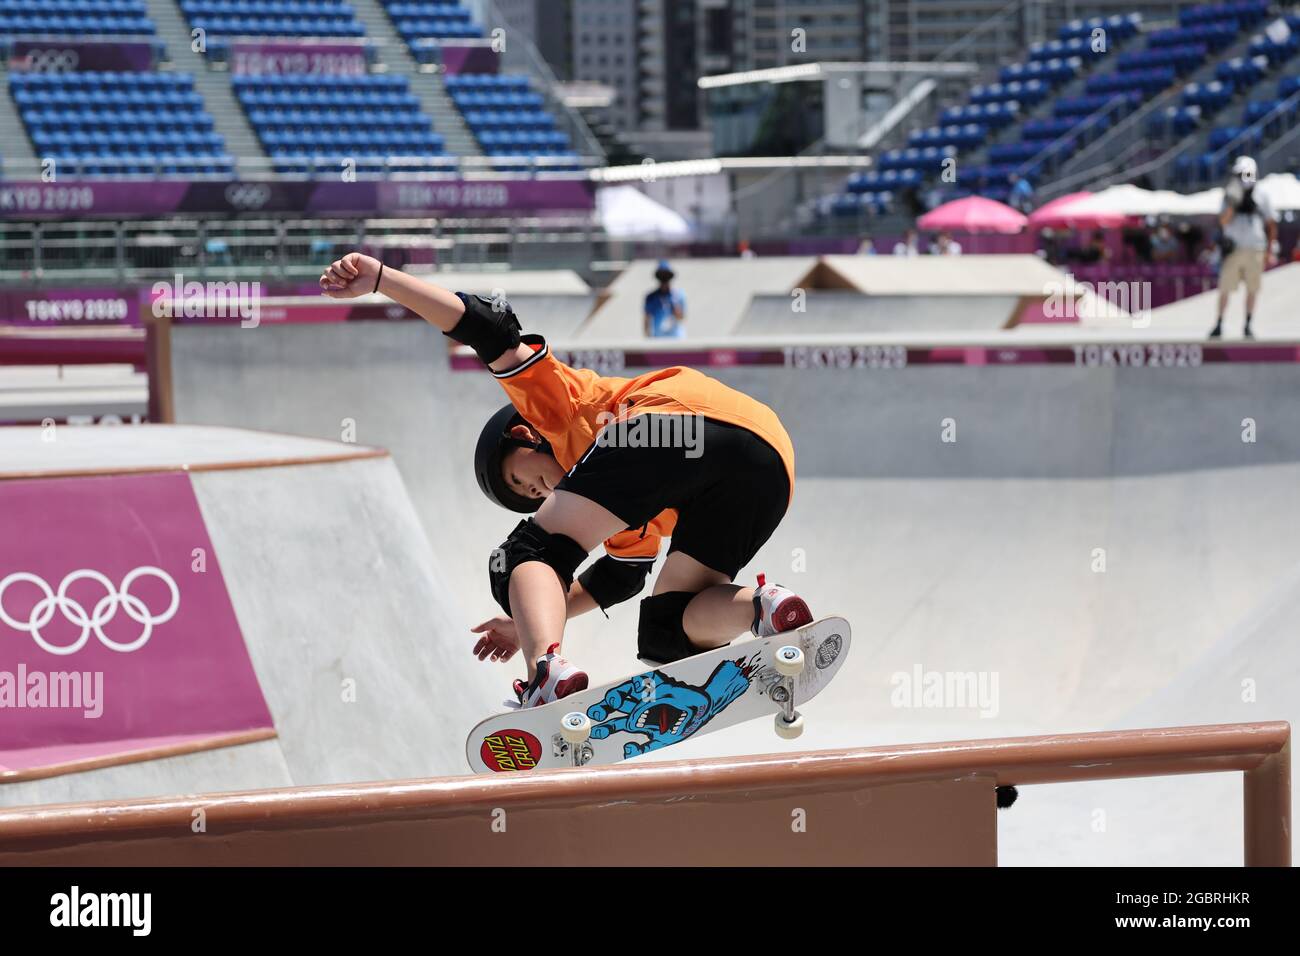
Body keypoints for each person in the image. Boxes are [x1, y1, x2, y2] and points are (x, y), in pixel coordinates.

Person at [319, 252, 814, 708]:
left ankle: (543, 673)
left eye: (523, 481)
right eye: (530, 496)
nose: (540, 494)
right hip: (769, 459)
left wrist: (382, 280)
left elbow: (488, 327)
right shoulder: (619, 509)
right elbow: (618, 577)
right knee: (667, 633)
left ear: (523, 435)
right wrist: (526, 618)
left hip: (667, 422)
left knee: (522, 556)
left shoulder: (554, 408)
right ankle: (763, 607)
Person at [1211, 156, 1277, 339]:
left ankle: (1248, 324)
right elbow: (1223, 222)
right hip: (1233, 249)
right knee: (1225, 288)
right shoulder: (1230, 194)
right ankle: (1219, 323)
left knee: (1252, 288)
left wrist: (1269, 251)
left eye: (1247, 174)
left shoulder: (1261, 194)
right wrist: (1234, 203)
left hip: (1255, 248)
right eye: (1240, 174)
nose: (1244, 178)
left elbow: (1271, 224)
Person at [643, 260, 686, 338]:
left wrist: (675, 304)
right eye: (661, 277)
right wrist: (648, 338)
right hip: (658, 338)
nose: (664, 280)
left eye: (666, 277)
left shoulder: (678, 295)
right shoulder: (651, 297)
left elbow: (681, 317)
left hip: (676, 338)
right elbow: (647, 319)